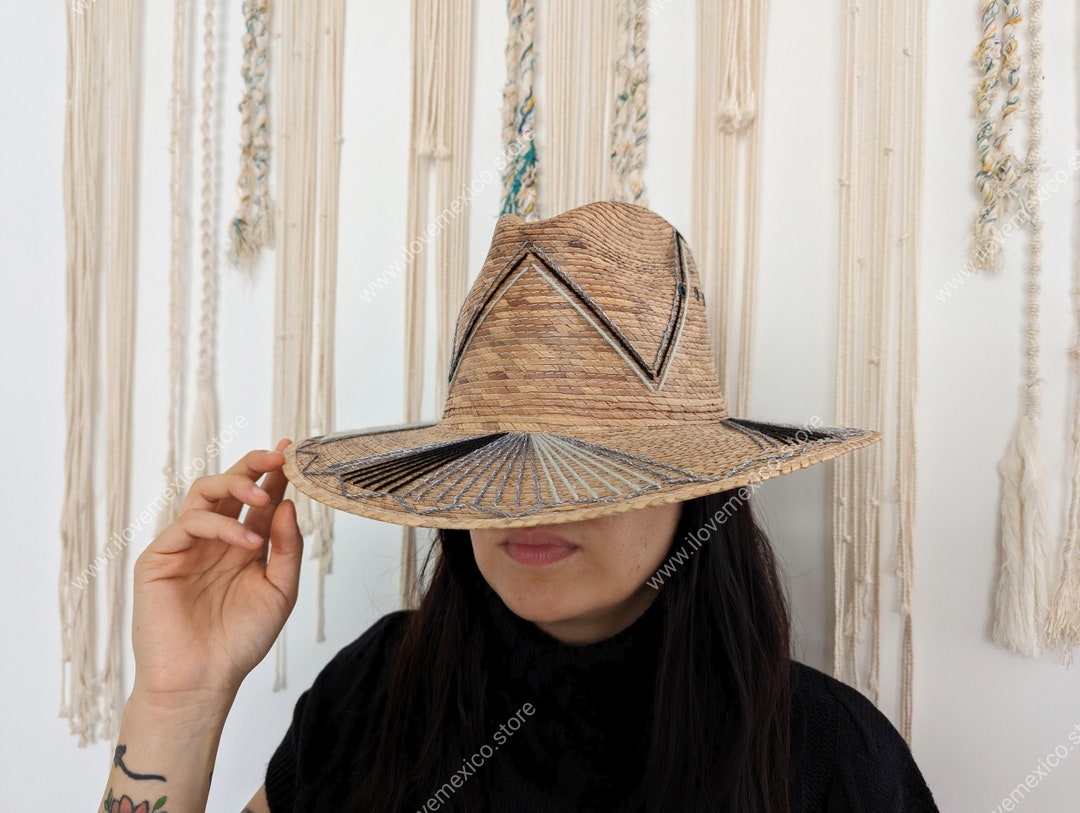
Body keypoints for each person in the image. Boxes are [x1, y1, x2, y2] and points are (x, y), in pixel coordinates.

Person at [98, 202, 938, 812]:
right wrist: (179, 696)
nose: (529, 509)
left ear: (696, 489)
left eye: (588, 467)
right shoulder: (381, 693)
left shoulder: (827, 755)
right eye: (496, 467)